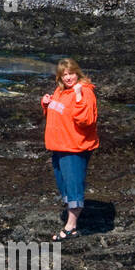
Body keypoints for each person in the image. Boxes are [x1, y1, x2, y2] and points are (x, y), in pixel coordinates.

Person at [41, 59, 99, 241]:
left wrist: (80, 95)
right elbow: (60, 113)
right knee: (64, 184)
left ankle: (71, 227)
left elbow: (86, 120)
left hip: (74, 147)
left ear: (78, 73)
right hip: (59, 146)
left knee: (73, 185)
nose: (68, 78)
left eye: (71, 73)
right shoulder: (60, 91)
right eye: (64, 74)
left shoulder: (85, 91)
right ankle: (71, 221)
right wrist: (47, 103)